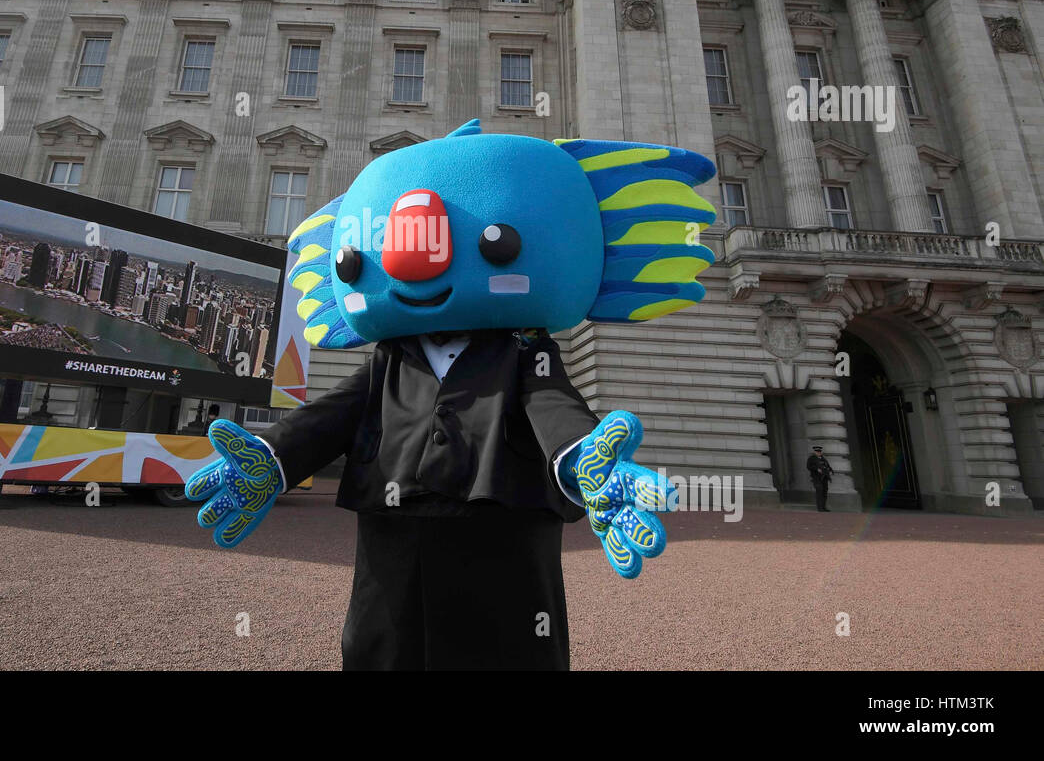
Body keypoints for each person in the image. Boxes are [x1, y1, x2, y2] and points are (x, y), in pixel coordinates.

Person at [183, 120, 717, 669]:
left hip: (500, 520)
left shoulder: (522, 347)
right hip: (394, 524)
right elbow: (332, 413)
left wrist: (587, 462)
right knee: (382, 643)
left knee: (506, 645)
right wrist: (274, 458)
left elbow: (552, 405)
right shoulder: (389, 358)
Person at [807, 445, 834, 511]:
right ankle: (820, 508)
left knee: (824, 492)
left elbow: (828, 466)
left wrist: (831, 471)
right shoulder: (811, 458)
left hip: (824, 477)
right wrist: (816, 469)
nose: (818, 453)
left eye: (819, 451)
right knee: (819, 491)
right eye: (817, 451)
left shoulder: (823, 459)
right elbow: (808, 467)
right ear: (814, 452)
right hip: (817, 478)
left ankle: (824, 507)